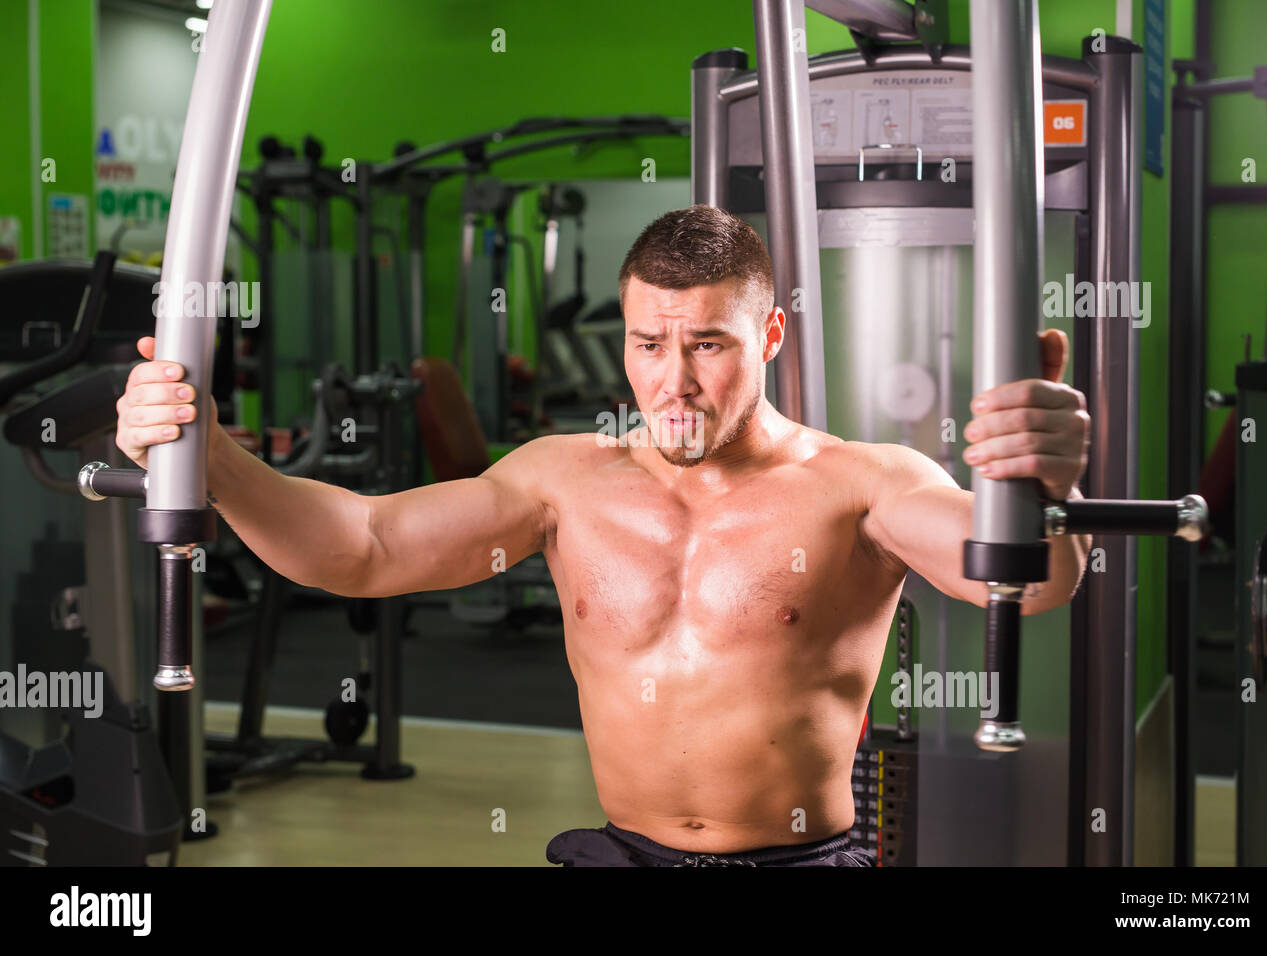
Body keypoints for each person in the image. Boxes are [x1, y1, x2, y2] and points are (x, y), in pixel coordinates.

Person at [115, 204, 1091, 867]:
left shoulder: (860, 484)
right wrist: (209, 454)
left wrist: (1043, 481)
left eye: (707, 344)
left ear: (772, 338)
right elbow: (362, 547)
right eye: (647, 343)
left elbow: (1028, 581)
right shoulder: (562, 480)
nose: (672, 381)